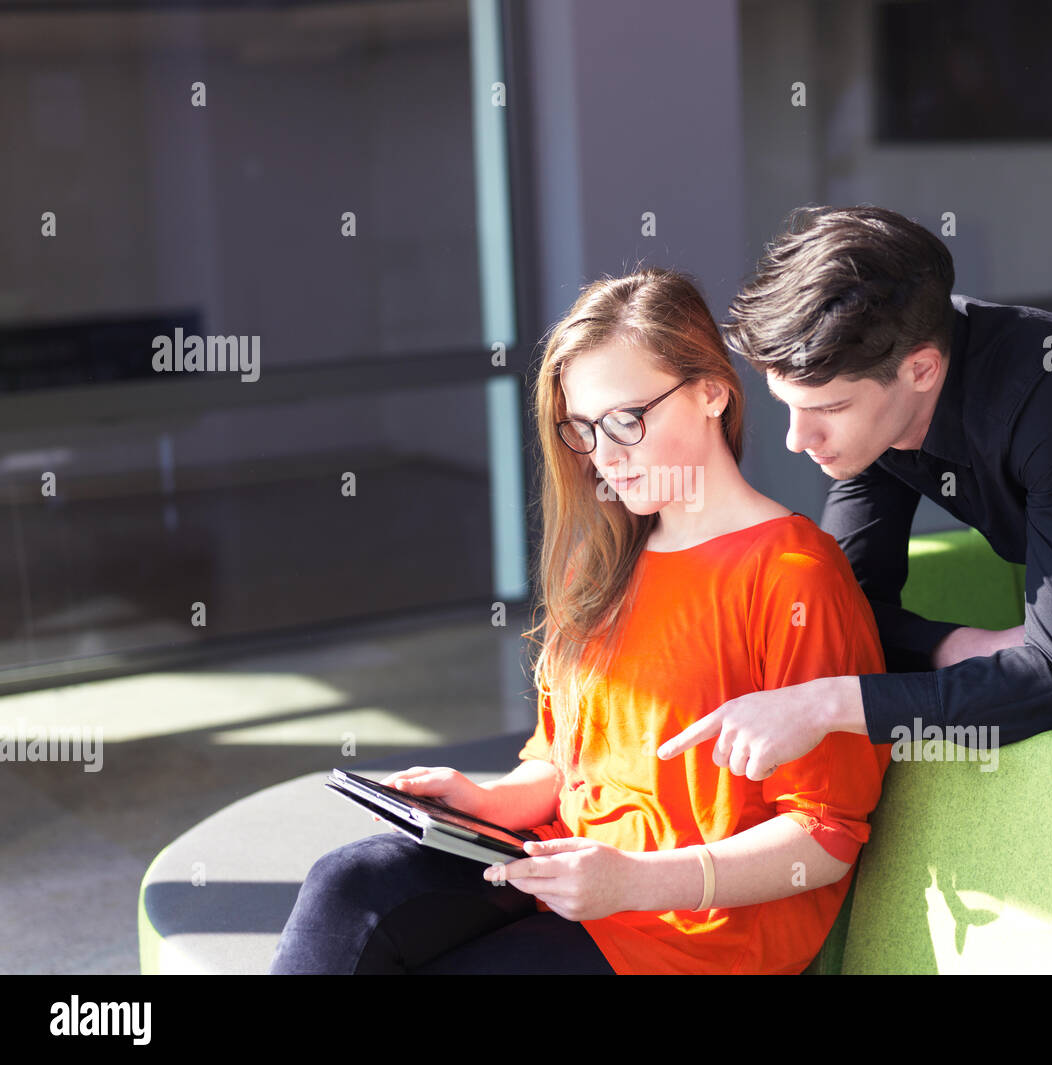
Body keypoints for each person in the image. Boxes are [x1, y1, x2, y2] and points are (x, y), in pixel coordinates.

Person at [269, 267, 893, 975]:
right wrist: (487, 799)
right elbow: (562, 760)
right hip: (566, 865)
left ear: (712, 391)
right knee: (346, 885)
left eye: (628, 418)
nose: (605, 454)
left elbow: (827, 836)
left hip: (693, 927)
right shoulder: (603, 562)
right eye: (583, 429)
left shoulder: (792, 574)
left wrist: (635, 880)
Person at [658, 205, 1052, 777]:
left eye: (828, 407)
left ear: (921, 370)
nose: (799, 439)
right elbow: (845, 609)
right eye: (786, 405)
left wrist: (830, 705)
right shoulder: (881, 402)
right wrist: (952, 644)